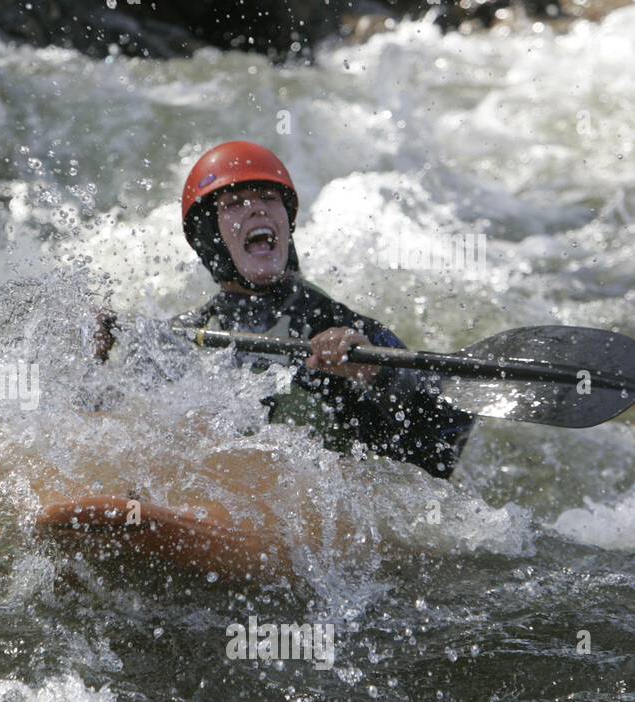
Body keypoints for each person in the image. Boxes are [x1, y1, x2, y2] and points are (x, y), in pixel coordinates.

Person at [168, 141, 474, 479]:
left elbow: (442, 450)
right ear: (209, 235)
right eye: (235, 204)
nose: (257, 210)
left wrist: (376, 374)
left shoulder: (340, 326)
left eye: (269, 199)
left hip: (315, 510)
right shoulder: (185, 335)